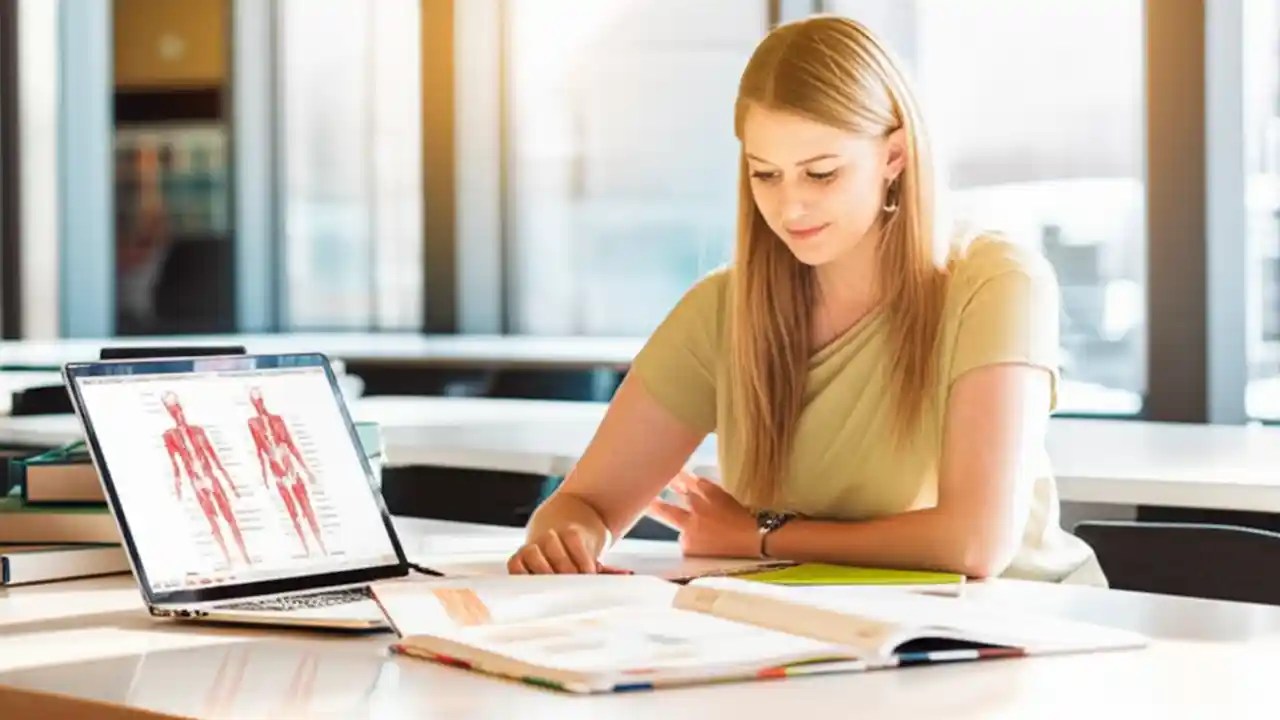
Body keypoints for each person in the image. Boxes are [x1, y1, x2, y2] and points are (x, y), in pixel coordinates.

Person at [508, 15, 1101, 584]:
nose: (790, 207)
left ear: (893, 156)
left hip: (1018, 633)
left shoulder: (997, 282)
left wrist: (764, 536)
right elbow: (583, 504)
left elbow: (974, 545)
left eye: (821, 174)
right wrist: (568, 537)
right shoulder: (723, 309)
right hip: (827, 640)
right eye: (766, 174)